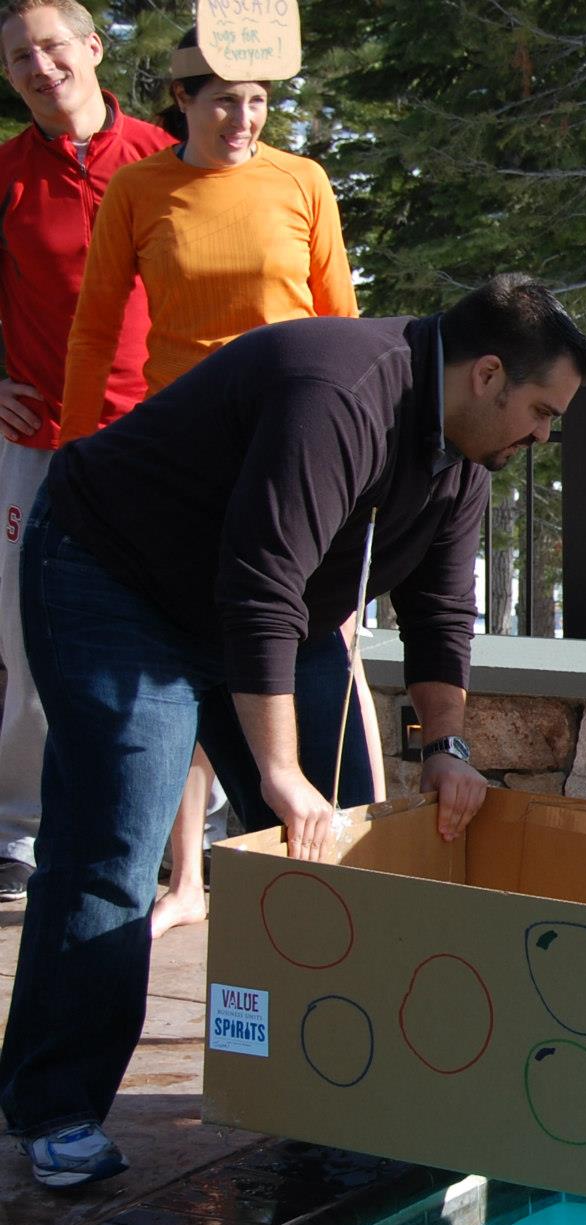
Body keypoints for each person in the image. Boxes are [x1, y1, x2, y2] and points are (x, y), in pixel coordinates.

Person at [0, 273, 586, 1189]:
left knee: (347, 846)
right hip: (112, 578)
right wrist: (278, 773)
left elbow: (441, 612)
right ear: (486, 375)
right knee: (117, 839)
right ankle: (54, 1107)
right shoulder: (342, 393)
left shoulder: (463, 462)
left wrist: (446, 748)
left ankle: (331, 1089)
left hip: (263, 614)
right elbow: (260, 584)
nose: (545, 434)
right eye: (542, 410)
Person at [57, 26, 365, 937]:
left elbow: (345, 325)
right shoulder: (140, 188)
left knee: (319, 651)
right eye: (224, 99)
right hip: (182, 464)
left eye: (259, 100)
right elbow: (93, 328)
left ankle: (345, 873)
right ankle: (186, 877)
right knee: (181, 663)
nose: (243, 118)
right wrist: (77, 467)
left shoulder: (302, 181)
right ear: (181, 103)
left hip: (295, 457)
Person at [0, 0, 175, 906]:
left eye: (55, 46)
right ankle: (19, 833)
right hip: (39, 443)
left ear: (94, 51)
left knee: (175, 630)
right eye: (21, 55)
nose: (41, 65)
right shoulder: (5, 175)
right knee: (30, 639)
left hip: (160, 436)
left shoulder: (161, 154)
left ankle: (197, 831)